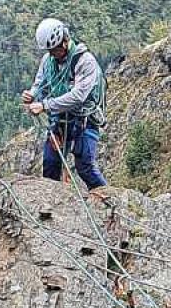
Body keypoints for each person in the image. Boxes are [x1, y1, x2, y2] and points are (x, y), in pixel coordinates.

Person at [21, 16, 108, 193]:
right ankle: (49, 205)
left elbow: (78, 96)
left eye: (55, 50)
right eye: (50, 51)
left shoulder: (85, 61)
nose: (52, 54)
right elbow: (41, 82)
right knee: (51, 163)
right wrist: (32, 94)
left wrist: (45, 105)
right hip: (60, 121)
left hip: (84, 120)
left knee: (85, 167)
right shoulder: (48, 60)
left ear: (65, 41)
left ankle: (109, 200)